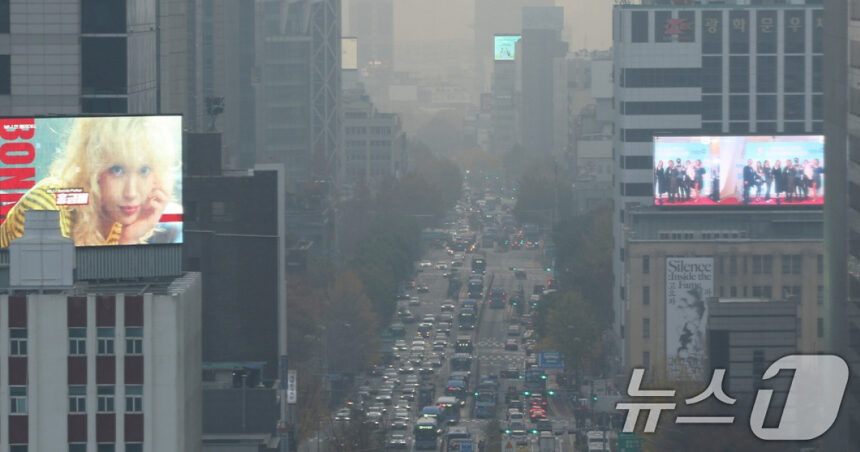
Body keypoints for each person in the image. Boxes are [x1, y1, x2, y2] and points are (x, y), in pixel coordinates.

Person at [0, 117, 181, 247]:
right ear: (93, 167)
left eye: (144, 170)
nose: (131, 193)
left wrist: (129, 238)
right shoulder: (47, 205)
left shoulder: (116, 218)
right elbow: (48, 295)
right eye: (117, 170)